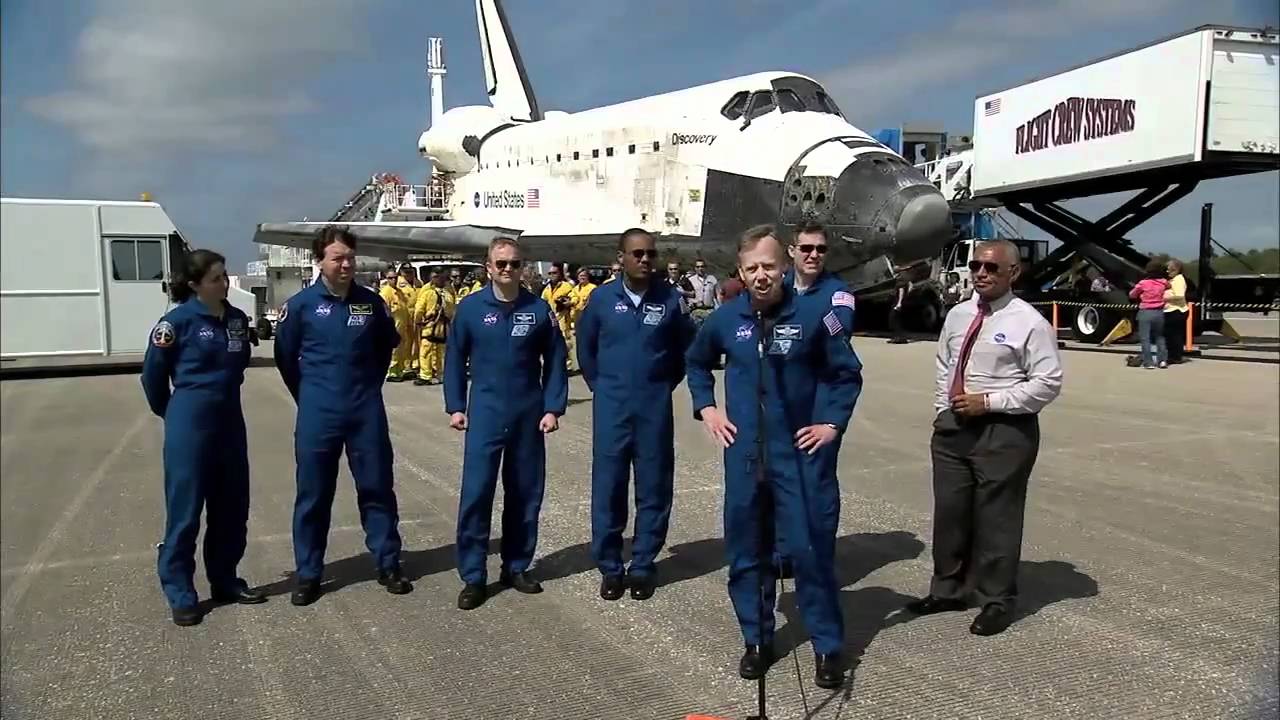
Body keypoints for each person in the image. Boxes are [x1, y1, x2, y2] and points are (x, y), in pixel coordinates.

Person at [686, 225, 864, 690]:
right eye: (751, 269)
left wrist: (831, 423)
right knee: (747, 552)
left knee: (808, 552)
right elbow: (696, 361)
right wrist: (706, 407)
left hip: (796, 458)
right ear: (740, 273)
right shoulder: (725, 320)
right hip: (745, 457)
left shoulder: (814, 316)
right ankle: (757, 639)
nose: (761, 276)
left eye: (768, 266)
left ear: (784, 266)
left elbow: (845, 373)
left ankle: (827, 645)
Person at [907, 239, 1063, 636]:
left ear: (1014, 273)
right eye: (976, 265)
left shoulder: (1028, 322)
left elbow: (1047, 383)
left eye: (991, 268)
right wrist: (944, 409)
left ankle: (997, 599)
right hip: (954, 427)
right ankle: (948, 589)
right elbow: (945, 363)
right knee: (951, 513)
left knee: (997, 518)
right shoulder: (958, 315)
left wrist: (990, 402)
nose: (980, 273)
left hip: (1004, 429)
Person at [274, 227, 412, 606]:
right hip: (319, 411)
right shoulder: (300, 307)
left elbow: (387, 346)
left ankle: (387, 561)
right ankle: (309, 572)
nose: (346, 264)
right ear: (321, 261)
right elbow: (285, 359)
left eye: (350, 257)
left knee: (377, 486)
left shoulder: (371, 303)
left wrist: (367, 386)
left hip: (364, 408)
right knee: (314, 494)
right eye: (337, 258)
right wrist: (309, 395)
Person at [142, 249, 265, 626]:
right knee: (186, 511)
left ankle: (225, 579)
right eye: (215, 278)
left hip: (229, 420)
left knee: (232, 506)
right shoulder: (175, 323)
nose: (224, 283)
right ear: (195, 285)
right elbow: (152, 378)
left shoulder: (238, 320)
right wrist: (175, 415)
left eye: (225, 275)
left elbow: (240, 364)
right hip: (189, 422)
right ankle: (180, 591)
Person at [445, 237, 568, 610]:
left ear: (522, 267)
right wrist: (455, 406)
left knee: (525, 493)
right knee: (477, 494)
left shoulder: (538, 309)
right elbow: (454, 359)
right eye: (501, 264)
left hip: (528, 414)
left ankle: (515, 566)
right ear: (489, 267)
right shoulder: (469, 309)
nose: (508, 270)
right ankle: (473, 575)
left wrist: (552, 408)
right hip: (484, 412)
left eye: (514, 264)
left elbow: (557, 358)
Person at [576, 229, 695, 601]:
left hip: (653, 407)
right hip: (611, 407)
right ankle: (611, 567)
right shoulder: (601, 299)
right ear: (621, 258)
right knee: (609, 487)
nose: (645, 260)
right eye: (638, 254)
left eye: (650, 254)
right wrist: (605, 387)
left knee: (654, 487)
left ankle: (643, 564)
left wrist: (659, 385)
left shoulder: (670, 300)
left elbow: (684, 351)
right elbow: (586, 350)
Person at [775, 220, 858, 578]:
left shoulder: (837, 293)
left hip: (818, 406)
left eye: (820, 249)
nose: (813, 255)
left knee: (817, 483)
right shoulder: (776, 288)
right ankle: (784, 552)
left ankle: (818, 555)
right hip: (781, 402)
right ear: (792, 251)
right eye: (806, 248)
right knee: (779, 479)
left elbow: (840, 329)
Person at [414, 268, 453, 385]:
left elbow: (419, 310)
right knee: (441, 352)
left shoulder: (428, 293)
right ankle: (441, 374)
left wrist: (418, 321)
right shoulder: (448, 295)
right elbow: (451, 312)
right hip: (443, 328)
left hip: (430, 326)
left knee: (426, 351)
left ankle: (425, 375)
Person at [1130, 260, 1171, 369]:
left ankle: (1148, 362)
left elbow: (1132, 294)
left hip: (1145, 311)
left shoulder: (1143, 283)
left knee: (1145, 338)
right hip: (1159, 312)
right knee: (1160, 337)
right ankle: (1162, 361)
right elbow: (1169, 287)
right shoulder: (1164, 282)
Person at [379, 267, 414, 382]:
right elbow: (384, 312)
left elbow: (404, 308)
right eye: (390, 278)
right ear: (386, 279)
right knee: (394, 350)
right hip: (393, 326)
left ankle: (400, 370)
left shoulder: (399, 292)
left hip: (402, 325)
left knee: (402, 349)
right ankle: (392, 372)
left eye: (395, 277)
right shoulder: (385, 293)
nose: (393, 280)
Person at [542, 262, 576, 370]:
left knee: (566, 343)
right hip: (552, 319)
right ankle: (557, 364)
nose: (552, 275)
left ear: (559, 274)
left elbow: (573, 297)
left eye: (555, 273)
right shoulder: (547, 288)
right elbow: (543, 301)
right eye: (550, 273)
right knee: (552, 343)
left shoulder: (566, 286)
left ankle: (568, 366)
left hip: (563, 318)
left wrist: (567, 302)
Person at [1163, 259, 1189, 364]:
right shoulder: (1173, 280)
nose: (1168, 272)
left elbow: (1179, 295)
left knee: (1174, 335)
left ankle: (1176, 356)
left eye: (1170, 270)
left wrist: (1163, 298)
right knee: (1171, 335)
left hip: (1176, 310)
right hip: (1170, 310)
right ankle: (1173, 355)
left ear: (1177, 269)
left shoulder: (1179, 279)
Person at [686, 258, 719, 325]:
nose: (700, 269)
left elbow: (717, 295)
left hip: (710, 311)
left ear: (705, 267)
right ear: (695, 268)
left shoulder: (712, 279)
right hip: (696, 311)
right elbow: (687, 296)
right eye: (698, 267)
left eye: (702, 266)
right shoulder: (690, 280)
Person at [888, 269, 910, 344]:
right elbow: (911, 286)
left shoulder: (900, 281)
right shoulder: (904, 281)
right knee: (896, 320)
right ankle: (897, 337)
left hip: (897, 302)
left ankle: (899, 338)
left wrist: (899, 303)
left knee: (894, 320)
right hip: (899, 302)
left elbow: (901, 292)